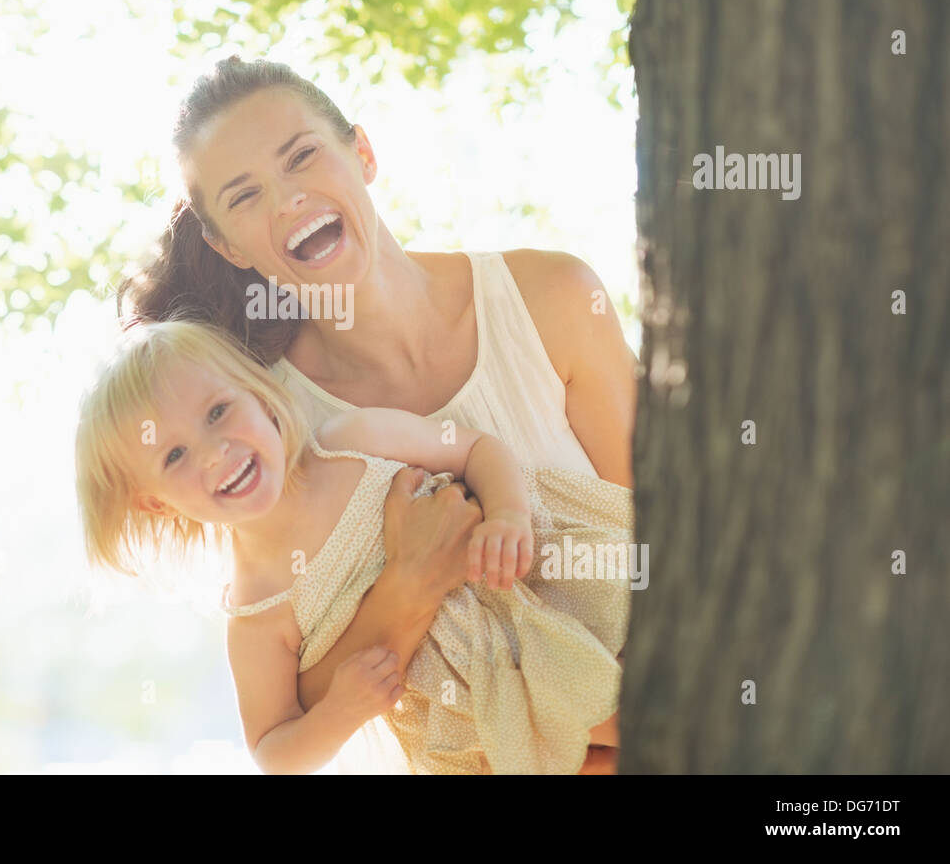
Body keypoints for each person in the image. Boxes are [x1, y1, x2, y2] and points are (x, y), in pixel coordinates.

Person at [119, 56, 638, 772]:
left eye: (302, 155)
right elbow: (301, 705)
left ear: (362, 152)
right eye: (245, 197)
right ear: (227, 245)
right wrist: (409, 581)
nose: (288, 200)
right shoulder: (262, 424)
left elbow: (665, 532)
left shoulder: (552, 297)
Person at [75, 320, 632, 774]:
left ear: (259, 394)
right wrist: (334, 715)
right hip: (477, 710)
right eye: (174, 456)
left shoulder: (350, 444)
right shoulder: (257, 613)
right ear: (157, 504)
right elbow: (273, 748)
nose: (215, 452)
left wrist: (508, 513)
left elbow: (476, 450)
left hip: (536, 584)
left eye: (219, 411)